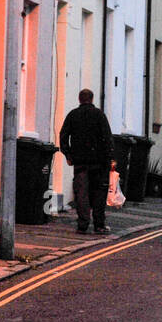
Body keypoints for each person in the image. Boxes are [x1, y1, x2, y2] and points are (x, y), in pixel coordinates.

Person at [59, 89, 114, 234]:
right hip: (99, 162)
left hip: (80, 162)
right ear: (92, 99)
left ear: (79, 99)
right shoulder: (100, 115)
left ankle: (82, 224)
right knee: (99, 194)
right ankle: (99, 225)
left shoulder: (73, 115)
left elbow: (63, 136)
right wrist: (108, 160)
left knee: (81, 194)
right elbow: (107, 138)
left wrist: (68, 155)